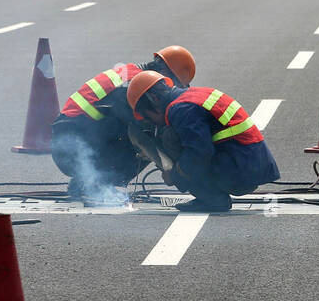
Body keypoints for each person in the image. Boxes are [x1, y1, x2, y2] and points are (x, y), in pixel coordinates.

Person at [51, 46, 196, 202]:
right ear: (165, 73)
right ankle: (96, 183)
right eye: (172, 85)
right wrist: (174, 170)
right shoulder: (135, 86)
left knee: (140, 132)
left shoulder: (131, 74)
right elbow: (144, 135)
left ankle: (86, 181)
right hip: (72, 149)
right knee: (145, 136)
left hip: (68, 142)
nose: (168, 91)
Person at [125, 70, 280, 212]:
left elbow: (199, 152)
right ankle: (211, 195)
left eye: (147, 116)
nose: (152, 122)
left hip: (241, 171)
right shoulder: (192, 95)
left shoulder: (181, 109)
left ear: (153, 100)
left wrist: (175, 176)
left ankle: (212, 199)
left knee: (168, 137)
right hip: (249, 164)